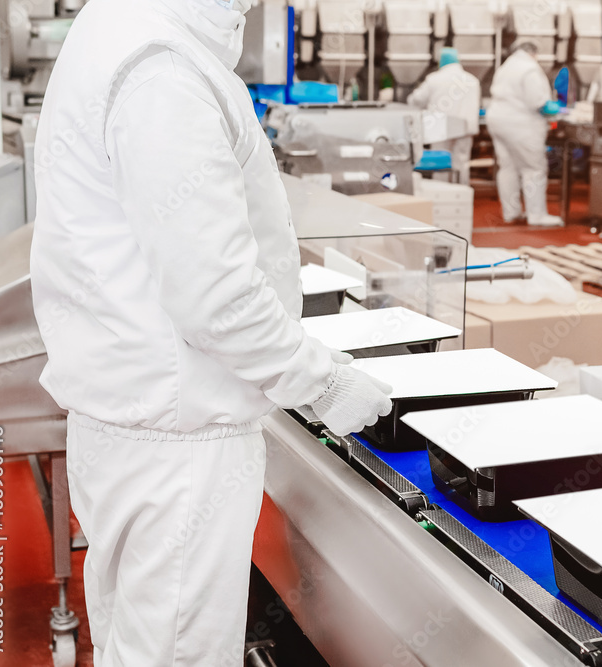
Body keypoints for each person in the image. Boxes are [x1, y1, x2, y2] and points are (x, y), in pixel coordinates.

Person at [29, 0, 392, 664]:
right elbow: (215, 296)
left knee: (137, 646)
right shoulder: (161, 71)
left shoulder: (126, 29)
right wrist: (323, 381)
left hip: (133, 424)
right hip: (178, 447)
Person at [485, 41, 564, 227]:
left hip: (498, 121)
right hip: (520, 124)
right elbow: (537, 101)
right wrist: (553, 109)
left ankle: (511, 213)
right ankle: (536, 215)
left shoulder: (505, 67)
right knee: (534, 168)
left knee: (507, 167)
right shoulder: (530, 68)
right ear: (533, 53)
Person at [407, 47, 481, 185]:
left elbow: (415, 100)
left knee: (439, 163)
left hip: (440, 128)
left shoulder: (434, 79)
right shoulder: (472, 80)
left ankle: (441, 195)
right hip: (465, 128)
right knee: (462, 163)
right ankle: (461, 194)